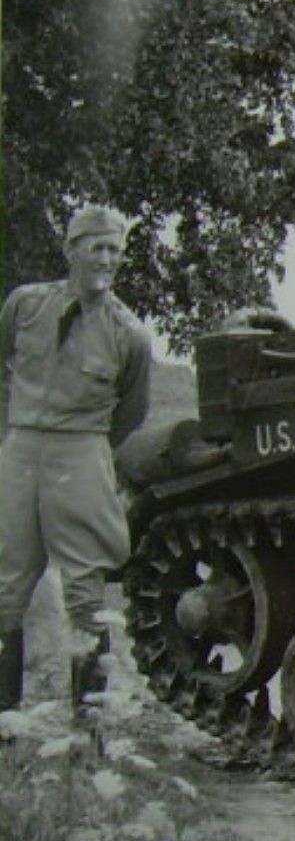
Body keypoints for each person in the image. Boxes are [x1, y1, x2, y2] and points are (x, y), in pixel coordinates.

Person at [0, 205, 153, 716]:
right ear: (71, 250)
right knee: (5, 585)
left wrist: (88, 449)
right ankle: (7, 727)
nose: (106, 259)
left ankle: (90, 736)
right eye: (96, 247)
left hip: (82, 450)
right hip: (21, 450)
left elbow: (130, 410)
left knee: (86, 597)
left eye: (115, 249)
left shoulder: (128, 332)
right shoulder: (25, 306)